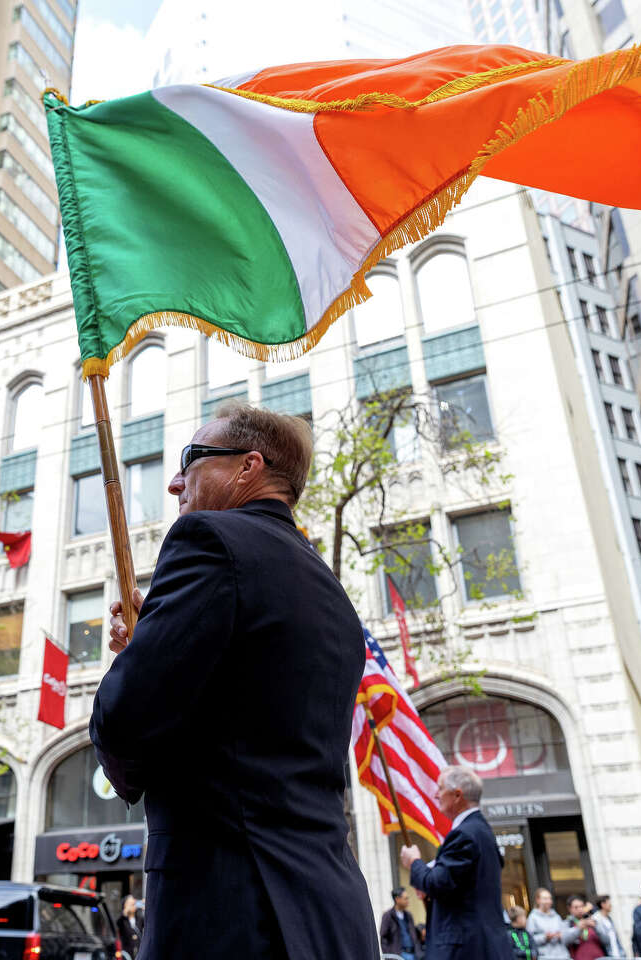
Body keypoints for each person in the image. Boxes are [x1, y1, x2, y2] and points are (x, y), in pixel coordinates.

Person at [92, 401, 376, 960]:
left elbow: (126, 723)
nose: (175, 483)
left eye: (191, 459)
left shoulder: (208, 538)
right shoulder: (329, 588)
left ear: (248, 467)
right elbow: (248, 713)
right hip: (331, 915)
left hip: (232, 914)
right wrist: (156, 647)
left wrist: (131, 668)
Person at [400, 766, 513, 960]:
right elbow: (458, 886)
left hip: (466, 949)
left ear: (458, 795)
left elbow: (438, 883)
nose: (436, 795)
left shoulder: (464, 834)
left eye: (441, 788)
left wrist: (414, 862)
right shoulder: (479, 830)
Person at [380, 887, 426, 960]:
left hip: (413, 954)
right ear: (397, 899)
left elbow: (413, 934)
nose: (408, 901)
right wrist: (389, 956)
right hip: (398, 955)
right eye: (405, 898)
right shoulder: (388, 916)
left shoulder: (408, 915)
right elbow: (383, 939)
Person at [529, 889, 570, 960]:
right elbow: (529, 940)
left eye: (550, 898)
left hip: (563, 956)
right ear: (538, 900)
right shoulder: (532, 918)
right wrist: (545, 937)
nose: (549, 901)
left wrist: (561, 935)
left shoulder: (556, 916)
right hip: (545, 957)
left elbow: (565, 934)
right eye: (545, 898)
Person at [565, 895, 606, 960]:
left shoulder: (593, 920)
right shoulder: (567, 923)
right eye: (576, 907)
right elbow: (565, 940)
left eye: (582, 906)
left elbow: (606, 941)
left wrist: (596, 927)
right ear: (569, 909)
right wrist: (578, 928)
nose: (580, 909)